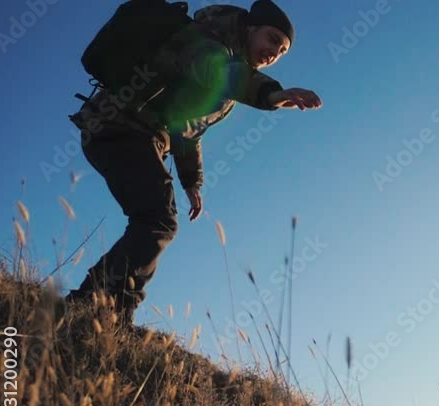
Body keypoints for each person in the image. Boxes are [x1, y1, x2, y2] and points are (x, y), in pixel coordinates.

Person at [66, 0, 322, 325]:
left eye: (282, 51)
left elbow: (184, 128)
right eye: (272, 39)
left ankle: (99, 305)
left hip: (136, 133)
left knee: (157, 219)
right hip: (118, 124)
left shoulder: (229, 70)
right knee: (158, 220)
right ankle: (101, 305)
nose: (274, 53)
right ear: (250, 28)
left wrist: (191, 182)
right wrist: (271, 94)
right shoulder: (205, 42)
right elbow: (216, 70)